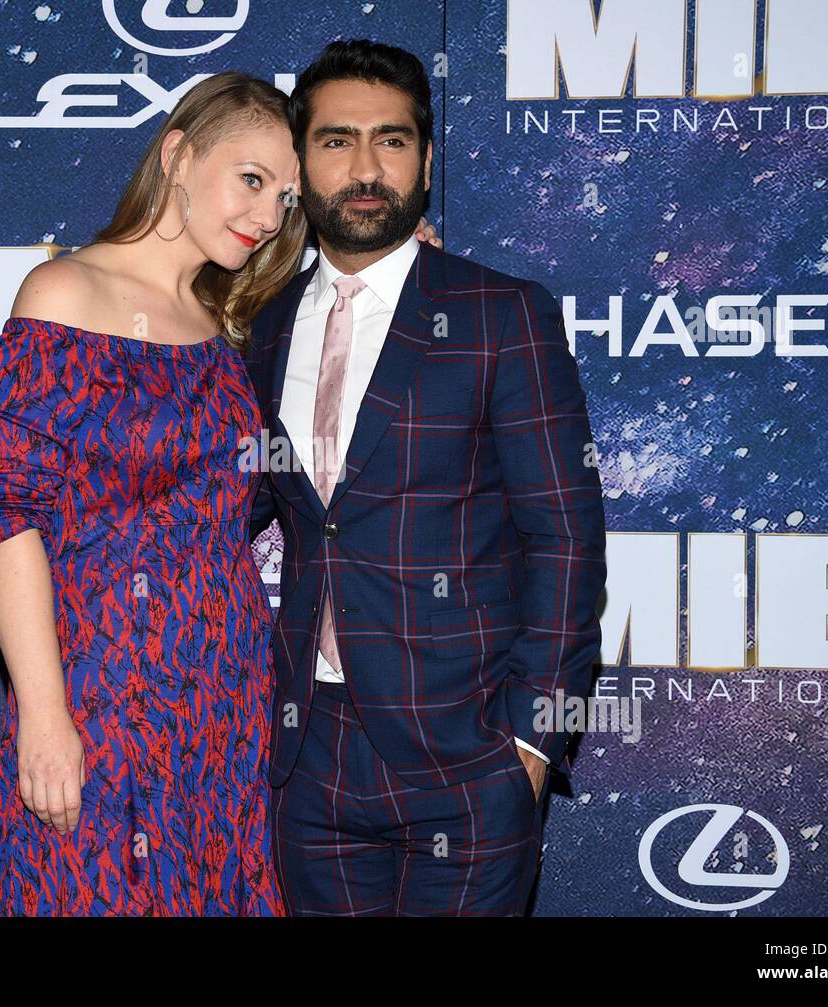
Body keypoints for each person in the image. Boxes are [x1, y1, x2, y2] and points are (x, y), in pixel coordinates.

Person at [0, 70, 440, 916]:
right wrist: (43, 713)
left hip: (227, 692)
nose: (266, 218)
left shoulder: (225, 326)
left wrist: (403, 277)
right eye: (251, 180)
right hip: (100, 683)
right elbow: (8, 520)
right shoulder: (63, 294)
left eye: (285, 198)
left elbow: (261, 492)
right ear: (179, 155)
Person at [245, 41, 608, 916]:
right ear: (300, 162)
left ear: (427, 158)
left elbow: (564, 537)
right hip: (309, 755)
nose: (366, 168)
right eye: (336, 141)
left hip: (470, 748)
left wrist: (529, 742)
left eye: (392, 140)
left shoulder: (502, 312)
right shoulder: (261, 324)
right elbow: (236, 505)